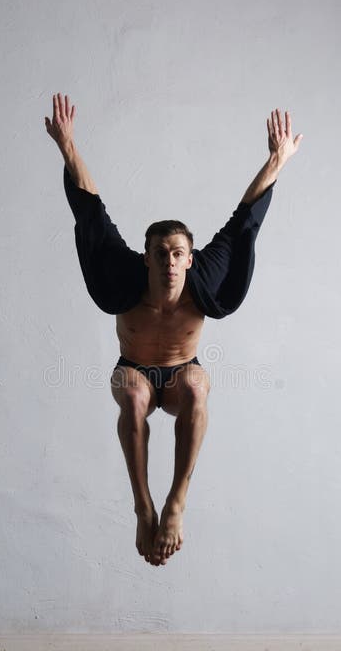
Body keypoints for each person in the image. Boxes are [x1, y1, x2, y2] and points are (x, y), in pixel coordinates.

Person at [45, 93, 302, 566]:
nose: (169, 262)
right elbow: (90, 211)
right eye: (160, 253)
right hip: (136, 370)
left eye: (177, 253)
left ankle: (176, 503)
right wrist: (67, 147)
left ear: (190, 256)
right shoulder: (128, 275)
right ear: (147, 257)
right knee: (136, 397)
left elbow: (245, 217)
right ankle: (143, 507)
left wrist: (277, 160)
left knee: (199, 387)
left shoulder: (203, 275)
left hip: (181, 372)